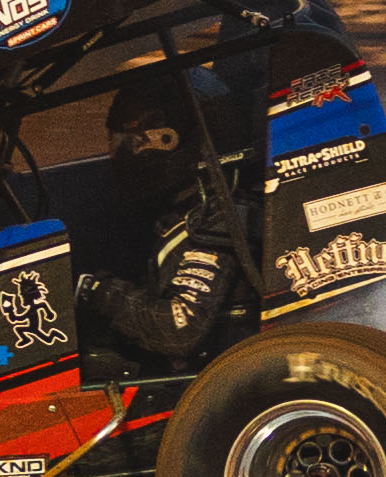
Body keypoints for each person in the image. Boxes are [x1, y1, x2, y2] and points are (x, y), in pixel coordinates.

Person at [72, 69, 252, 363]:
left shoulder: (216, 221)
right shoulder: (187, 211)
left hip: (196, 382)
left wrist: (97, 292)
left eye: (126, 142)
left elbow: (180, 328)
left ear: (165, 141)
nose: (118, 156)